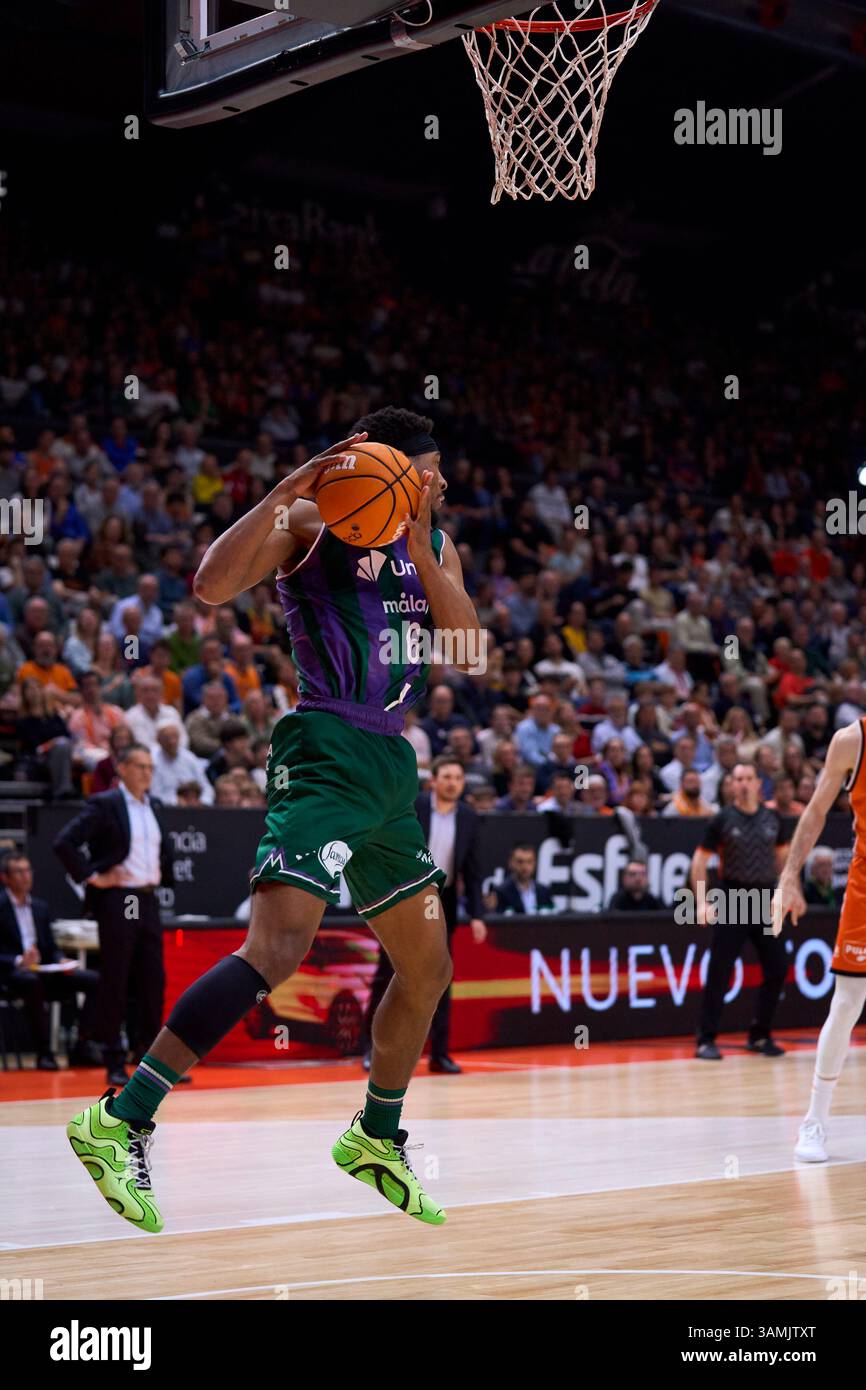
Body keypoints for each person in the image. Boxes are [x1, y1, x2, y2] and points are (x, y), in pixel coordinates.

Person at [64, 408, 481, 1234]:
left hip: (392, 767)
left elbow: (466, 651)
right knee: (279, 948)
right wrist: (293, 485)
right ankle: (120, 1118)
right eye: (417, 470)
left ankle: (376, 1134)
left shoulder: (434, 545)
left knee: (428, 966)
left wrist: (424, 528)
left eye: (434, 475)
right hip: (325, 747)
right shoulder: (313, 517)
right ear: (371, 462)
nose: (430, 483)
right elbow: (213, 584)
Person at [772, 718, 866, 1161]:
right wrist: (790, 875)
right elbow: (815, 811)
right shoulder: (852, 741)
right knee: (847, 1002)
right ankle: (814, 1121)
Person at [54, 744, 175, 1087]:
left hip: (148, 899)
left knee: (153, 979)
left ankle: (150, 1061)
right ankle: (112, 1057)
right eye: (140, 766)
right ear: (121, 768)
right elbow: (64, 843)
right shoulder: (106, 804)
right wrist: (94, 876)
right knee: (117, 978)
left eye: (151, 767)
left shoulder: (155, 805)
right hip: (119, 898)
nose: (147, 773)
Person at [362, 755, 487, 1074]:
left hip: (441, 898)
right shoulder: (413, 805)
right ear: (433, 780)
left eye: (458, 778)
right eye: (446, 776)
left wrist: (477, 914)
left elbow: (472, 871)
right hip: (402, 891)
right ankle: (371, 1049)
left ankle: (439, 1053)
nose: (452, 783)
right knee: (388, 971)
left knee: (439, 975)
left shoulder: (470, 818)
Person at [692, 762, 790, 1061]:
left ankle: (759, 1035)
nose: (744, 784)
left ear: (759, 783)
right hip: (733, 896)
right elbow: (699, 862)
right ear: (731, 785)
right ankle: (705, 1040)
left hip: (764, 898)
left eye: (749, 778)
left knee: (778, 967)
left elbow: (785, 860)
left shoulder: (772, 819)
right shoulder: (722, 819)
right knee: (720, 970)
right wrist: (701, 901)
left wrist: (787, 893)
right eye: (739, 779)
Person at [0, 852, 101, 1070]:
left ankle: (81, 1046)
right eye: (19, 872)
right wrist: (19, 960)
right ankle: (44, 1052)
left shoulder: (40, 907)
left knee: (94, 979)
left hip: (44, 970)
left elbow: (50, 949)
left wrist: (60, 960)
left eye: (28, 870)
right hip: (11, 974)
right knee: (31, 981)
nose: (26, 876)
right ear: (5, 877)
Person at [493, 845, 556, 914]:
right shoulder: (502, 892)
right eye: (520, 862)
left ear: (535, 863)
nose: (525, 867)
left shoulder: (544, 891)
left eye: (529, 862)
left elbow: (553, 916)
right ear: (511, 863)